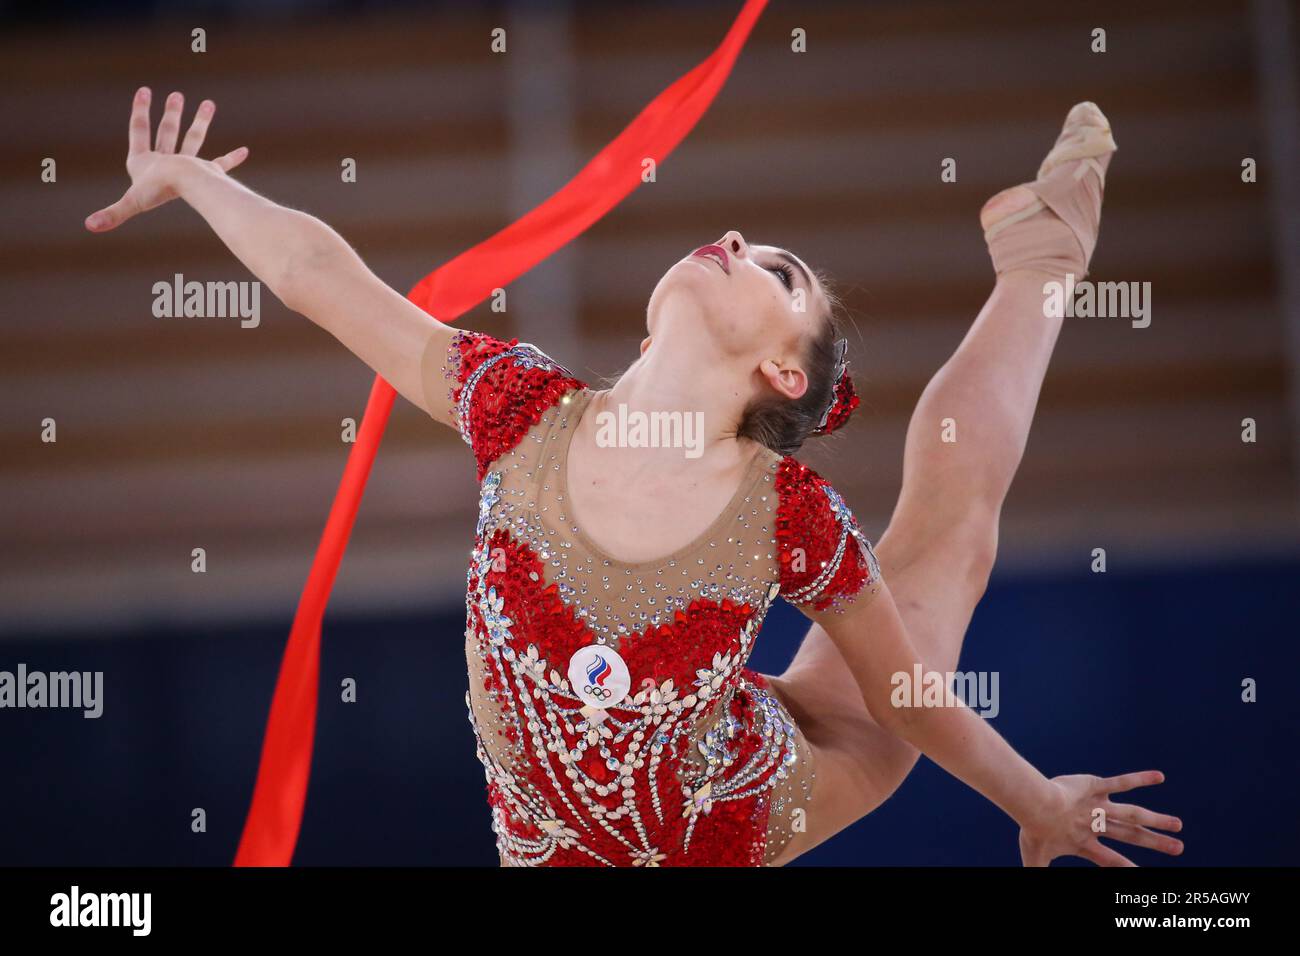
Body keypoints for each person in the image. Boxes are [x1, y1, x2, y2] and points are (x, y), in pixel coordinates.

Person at [87, 90, 1183, 867]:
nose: (741, 238)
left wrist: (1036, 799)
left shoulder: (782, 512)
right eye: (750, 241)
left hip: (767, 789)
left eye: (777, 269)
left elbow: (900, 696)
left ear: (781, 368)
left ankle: (1041, 259)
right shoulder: (517, 410)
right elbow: (324, 276)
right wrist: (189, 183)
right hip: (632, 781)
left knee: (947, 529)